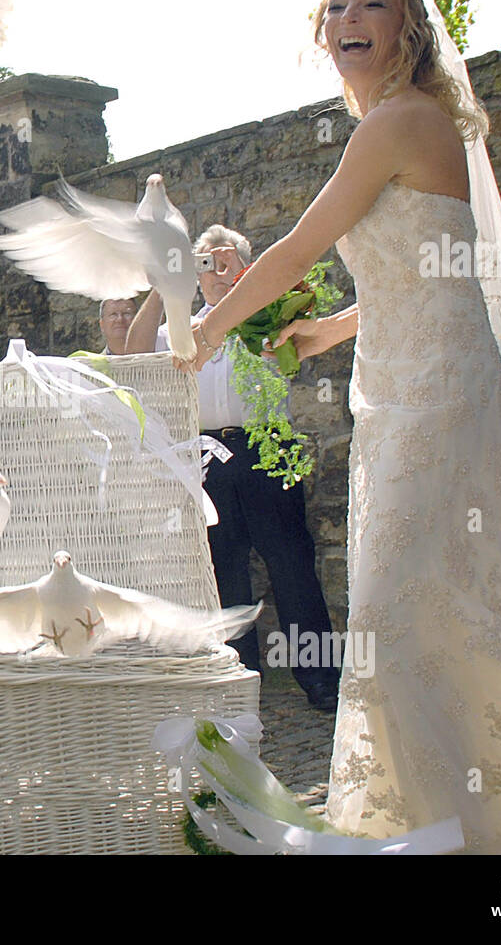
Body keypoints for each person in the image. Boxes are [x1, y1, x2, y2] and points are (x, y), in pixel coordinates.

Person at [178, 0, 501, 851]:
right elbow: (430, 264)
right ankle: (437, 811)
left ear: (407, 26)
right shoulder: (403, 125)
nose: (352, 18)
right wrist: (331, 334)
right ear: (321, 30)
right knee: (427, 608)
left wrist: (209, 327)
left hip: (436, 396)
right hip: (406, 389)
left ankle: (478, 817)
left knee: (411, 607)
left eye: (375, 3)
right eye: (338, 6)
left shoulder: (401, 120)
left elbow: (296, 249)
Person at [126, 225, 340, 711]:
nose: (218, 276)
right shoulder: (181, 328)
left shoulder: (267, 314)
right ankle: (239, 676)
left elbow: (287, 346)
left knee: (293, 568)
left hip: (268, 447)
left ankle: (322, 681)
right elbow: (134, 354)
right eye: (207, 266)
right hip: (205, 455)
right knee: (223, 573)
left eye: (228, 264)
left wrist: (249, 284)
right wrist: (165, 284)